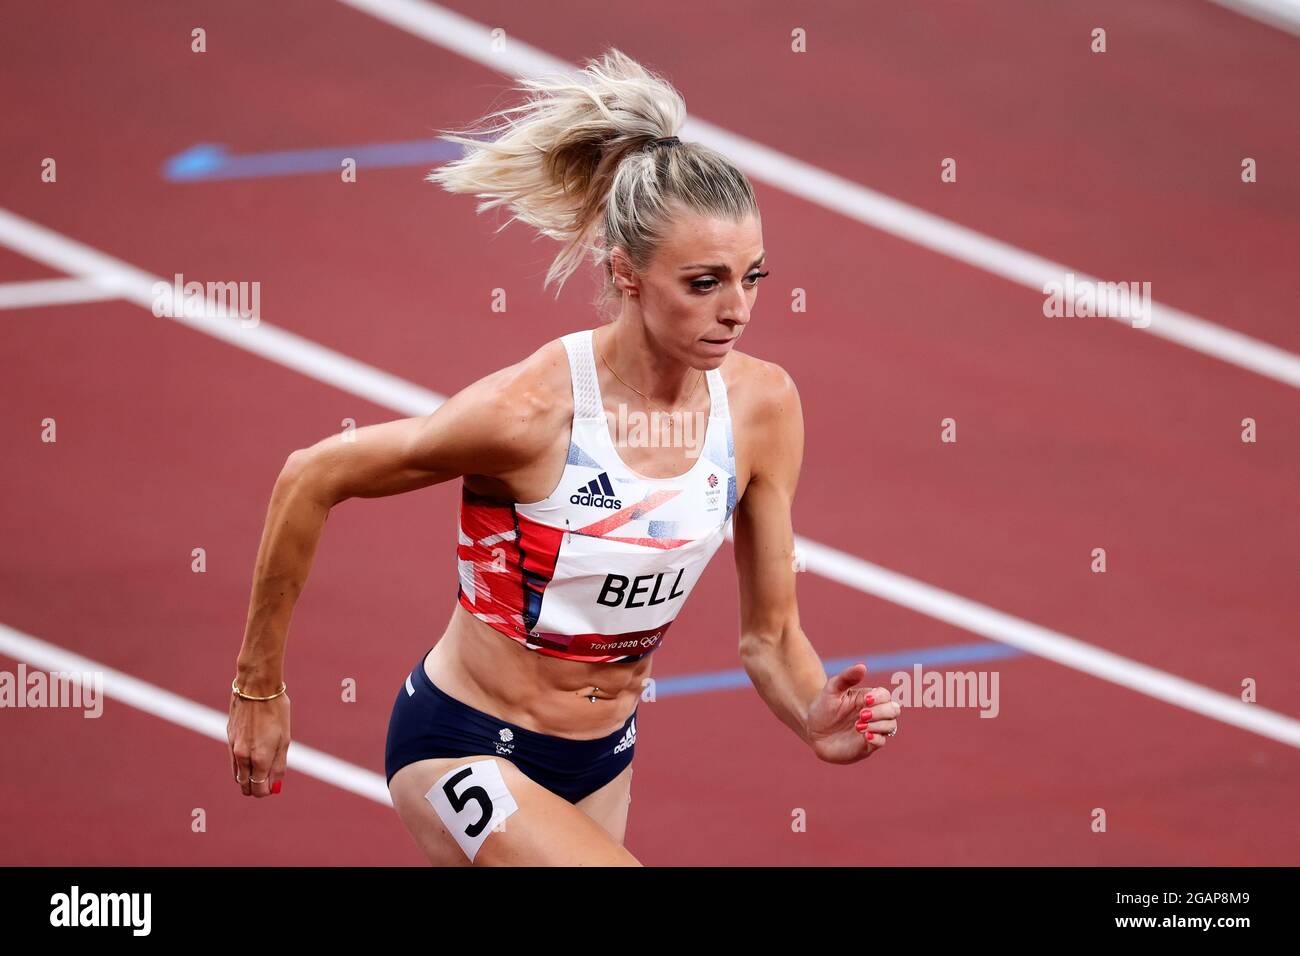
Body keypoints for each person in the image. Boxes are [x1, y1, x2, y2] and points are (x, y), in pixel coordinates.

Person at [226, 48, 899, 866]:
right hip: (463, 741)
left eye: (752, 277)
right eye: (704, 283)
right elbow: (312, 475)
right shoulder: (531, 414)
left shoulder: (763, 410)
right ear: (625, 273)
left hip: (600, 761)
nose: (738, 310)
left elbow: (769, 635)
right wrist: (258, 689)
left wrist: (812, 714)